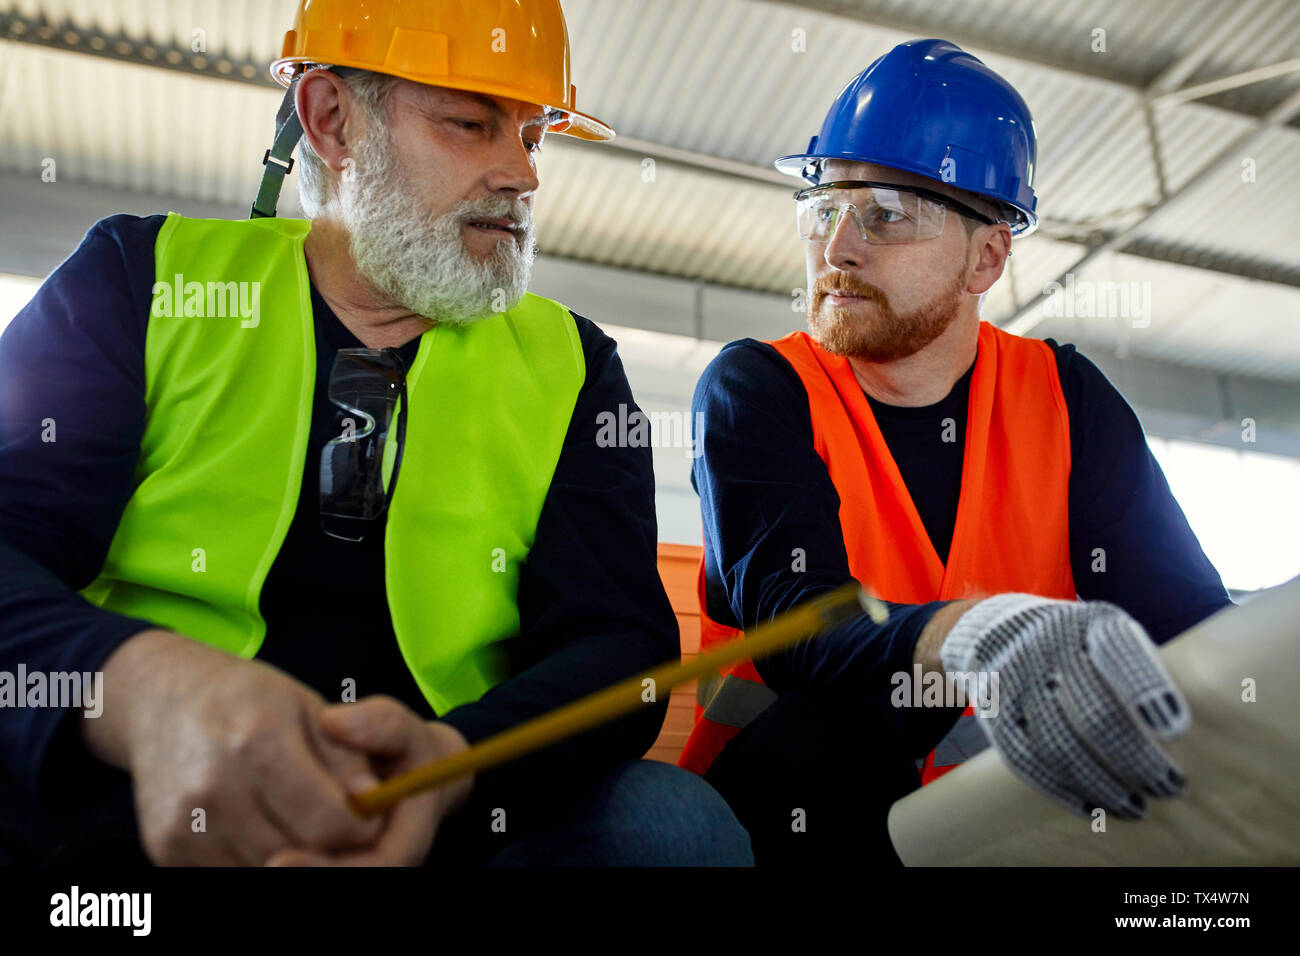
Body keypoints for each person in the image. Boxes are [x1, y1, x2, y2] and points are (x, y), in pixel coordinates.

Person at [0, 0, 752, 867]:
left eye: (533, 135)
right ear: (331, 120)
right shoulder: (143, 278)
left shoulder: (572, 364)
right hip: (142, 797)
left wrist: (456, 764)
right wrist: (140, 688)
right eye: (470, 122)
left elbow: (620, 647)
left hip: (453, 819)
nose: (523, 174)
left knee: (669, 826)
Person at [676, 38, 1231, 865]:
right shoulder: (760, 390)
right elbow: (799, 629)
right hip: (784, 817)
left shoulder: (1068, 402)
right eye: (825, 207)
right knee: (836, 727)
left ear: (988, 257)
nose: (837, 249)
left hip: (1008, 822)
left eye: (886, 214)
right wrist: (973, 634)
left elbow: (1188, 630)